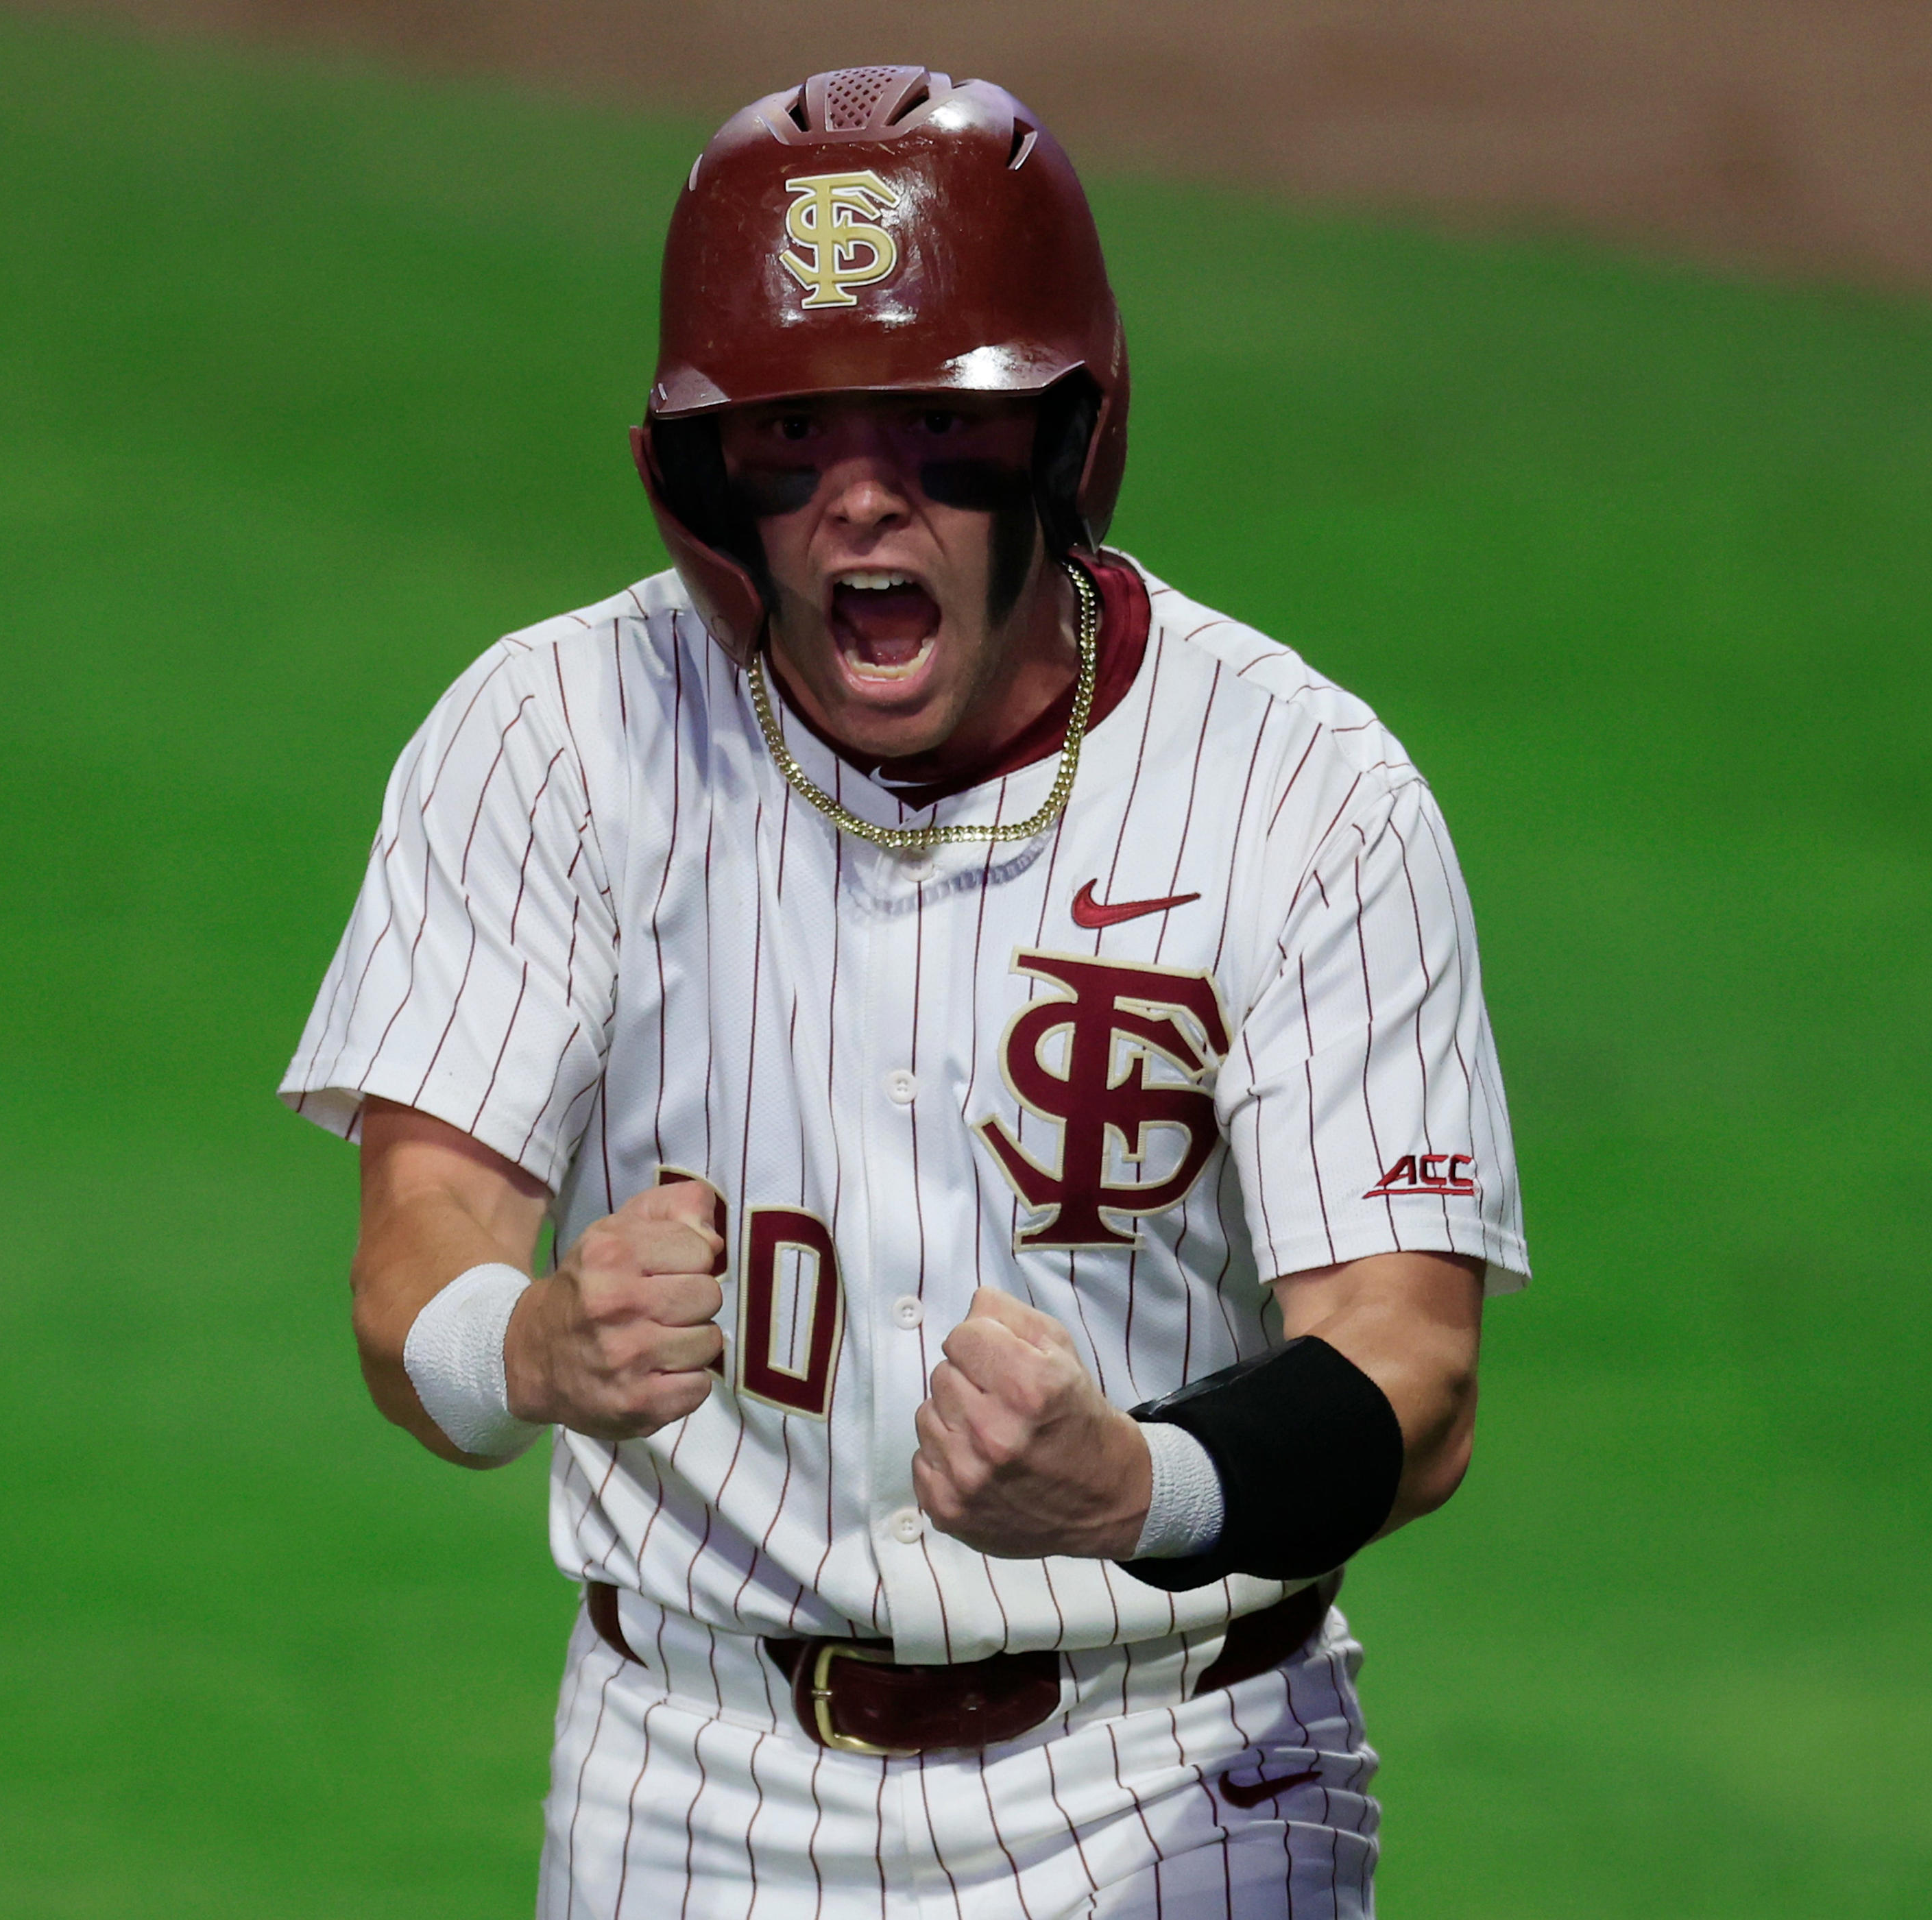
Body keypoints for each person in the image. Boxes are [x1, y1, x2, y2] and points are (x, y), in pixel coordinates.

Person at [281, 63, 1528, 1918]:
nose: (860, 512)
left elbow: (1410, 1378)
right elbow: (413, 1272)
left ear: (1055, 443)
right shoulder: (550, 738)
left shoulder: (1302, 792)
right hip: (684, 1780)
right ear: (704, 481)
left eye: (930, 436)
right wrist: (529, 1343)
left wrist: (1136, 1485)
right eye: (789, 443)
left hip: (1173, 1775)